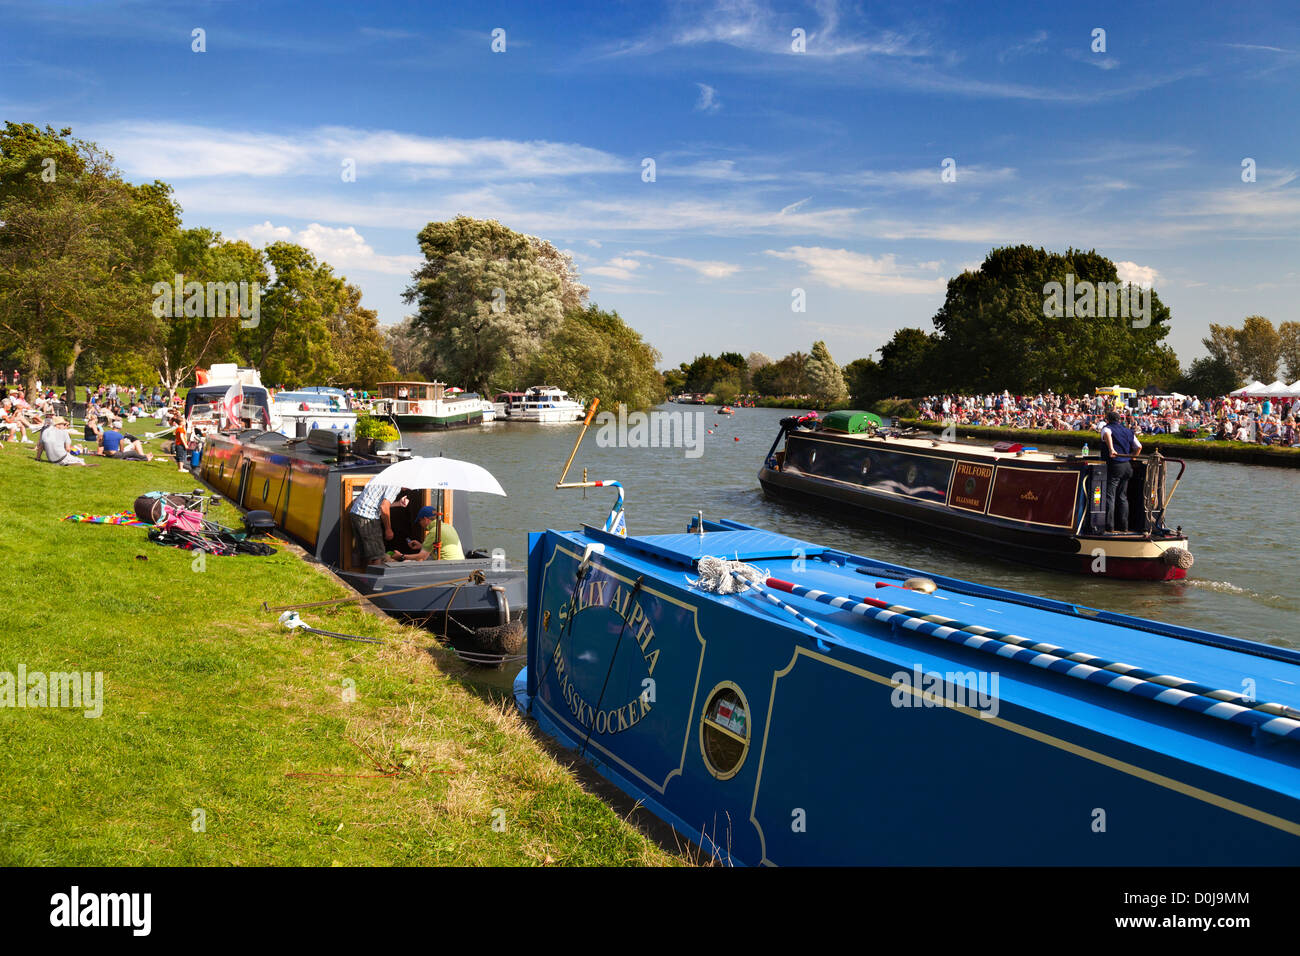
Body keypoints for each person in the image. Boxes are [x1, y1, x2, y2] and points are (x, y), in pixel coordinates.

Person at [348, 481, 408, 566]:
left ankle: (364, 577)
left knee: (367, 553)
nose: (408, 489)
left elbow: (377, 503)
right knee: (377, 555)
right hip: (368, 517)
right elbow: (384, 507)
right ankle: (374, 578)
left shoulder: (383, 478)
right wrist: (388, 529)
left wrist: (398, 503)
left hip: (356, 514)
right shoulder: (395, 485)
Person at [1100, 410, 1141, 533]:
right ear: (1119, 420)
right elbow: (1139, 447)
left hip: (1115, 465)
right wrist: (1133, 458)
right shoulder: (1128, 431)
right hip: (1127, 467)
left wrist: (1111, 449)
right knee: (1122, 497)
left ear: (1107, 420)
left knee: (1110, 496)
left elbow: (1107, 433)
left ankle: (1109, 527)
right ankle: (1124, 527)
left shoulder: (1106, 428)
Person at [394, 506, 464, 562]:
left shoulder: (434, 531)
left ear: (425, 519)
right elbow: (442, 548)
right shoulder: (449, 527)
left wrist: (401, 556)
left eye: (420, 520)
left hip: (447, 566)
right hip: (460, 565)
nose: (420, 524)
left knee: (407, 563)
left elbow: (421, 557)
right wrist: (422, 546)